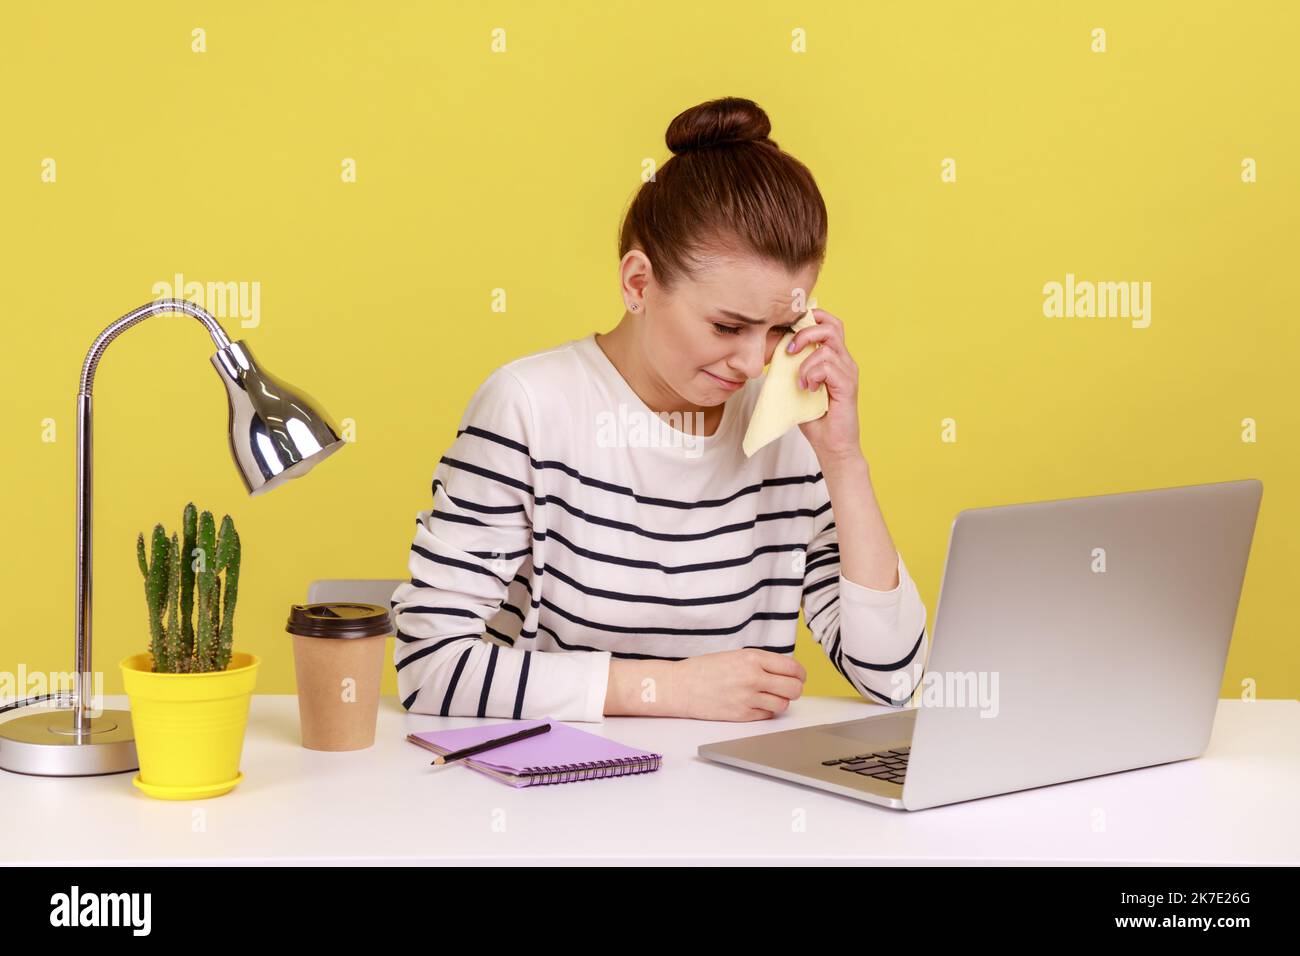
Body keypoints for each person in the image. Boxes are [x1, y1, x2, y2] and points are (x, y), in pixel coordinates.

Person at [391, 96, 929, 722]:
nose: (755, 362)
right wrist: (663, 690)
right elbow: (429, 667)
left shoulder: (791, 427)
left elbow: (892, 679)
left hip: (741, 799)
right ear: (639, 283)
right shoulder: (530, 408)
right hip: (564, 798)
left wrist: (843, 459)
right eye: (728, 326)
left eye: (781, 327)